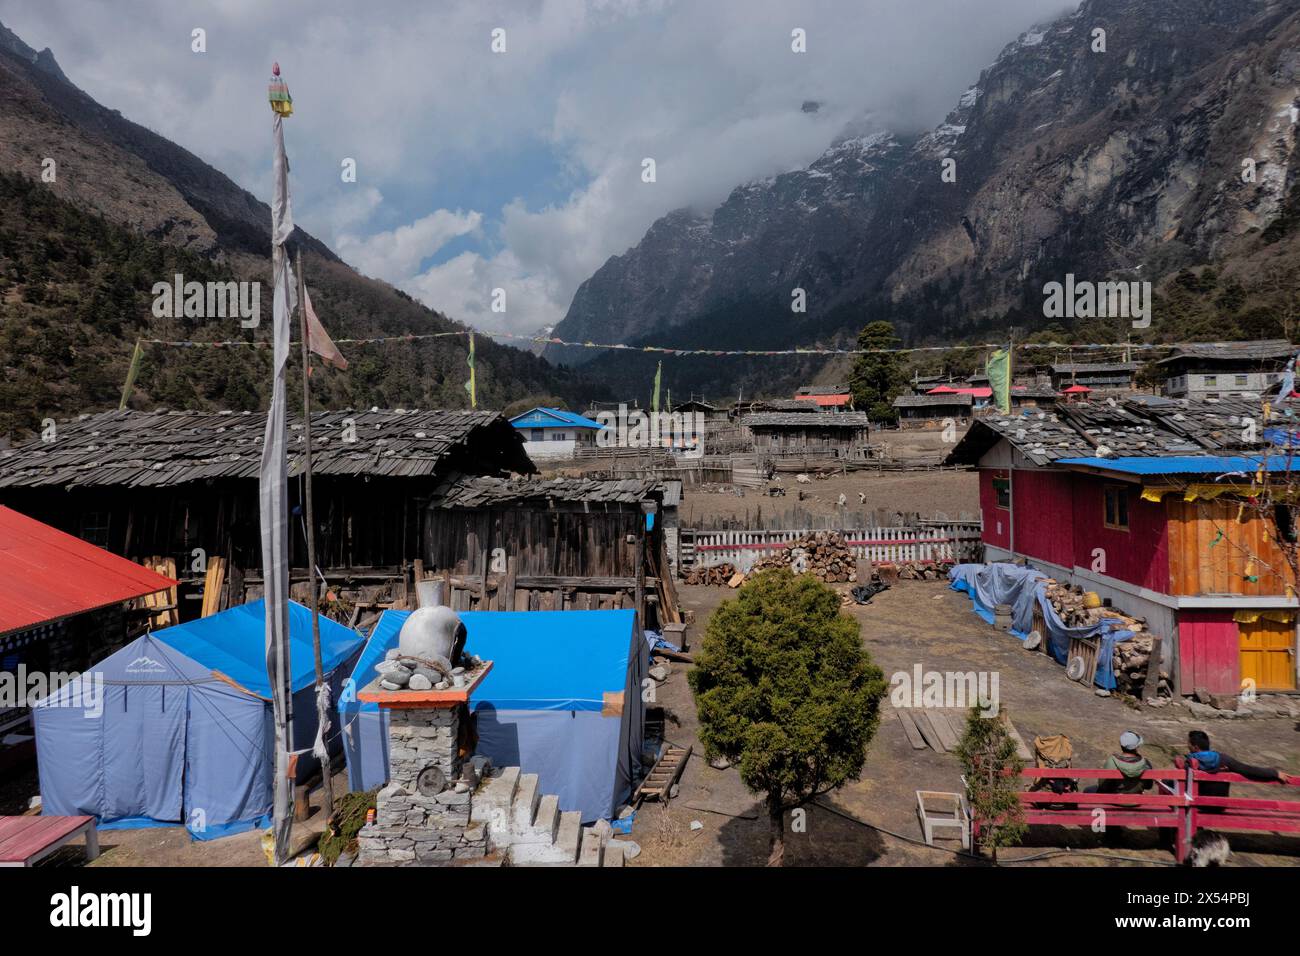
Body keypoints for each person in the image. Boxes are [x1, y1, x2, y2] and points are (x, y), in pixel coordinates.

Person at [1185, 730, 1294, 800]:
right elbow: (1248, 770)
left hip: (1197, 803)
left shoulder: (1190, 762)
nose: (1187, 745)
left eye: (1189, 744)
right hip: (1219, 805)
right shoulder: (1223, 759)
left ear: (1195, 747)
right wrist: (1274, 773)